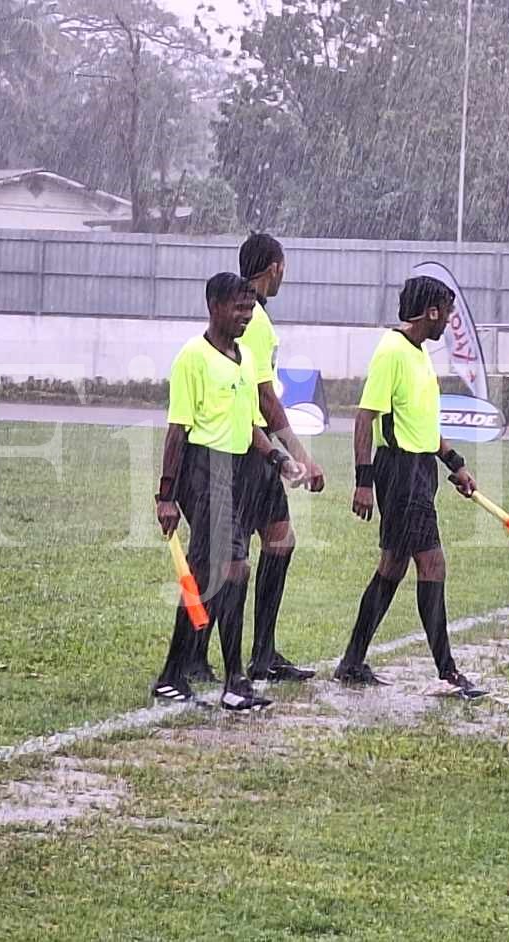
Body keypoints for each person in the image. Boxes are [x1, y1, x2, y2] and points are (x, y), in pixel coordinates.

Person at [153, 273, 305, 712]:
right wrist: (166, 495)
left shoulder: (244, 356)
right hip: (203, 470)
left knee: (211, 577)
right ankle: (234, 680)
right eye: (239, 307)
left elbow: (247, 424)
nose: (246, 315)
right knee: (233, 571)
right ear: (214, 306)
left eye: (250, 307)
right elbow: (177, 431)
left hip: (236, 470)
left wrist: (278, 458)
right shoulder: (192, 358)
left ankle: (173, 676)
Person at [331, 275, 488, 700]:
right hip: (398, 472)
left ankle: (351, 661)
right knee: (432, 564)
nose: (449, 319)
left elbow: (423, 426)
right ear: (430, 312)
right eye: (446, 310)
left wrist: (455, 464)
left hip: (421, 470)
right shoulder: (392, 351)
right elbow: (365, 418)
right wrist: (363, 482)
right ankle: (447, 671)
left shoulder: (419, 355)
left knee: (392, 567)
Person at [189, 233, 324, 685]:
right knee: (227, 560)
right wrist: (300, 456)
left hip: (254, 449)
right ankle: (199, 654)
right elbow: (266, 398)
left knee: (277, 542)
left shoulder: (253, 316)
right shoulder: (257, 322)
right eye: (283, 265)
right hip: (247, 451)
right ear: (276, 267)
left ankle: (260, 652)